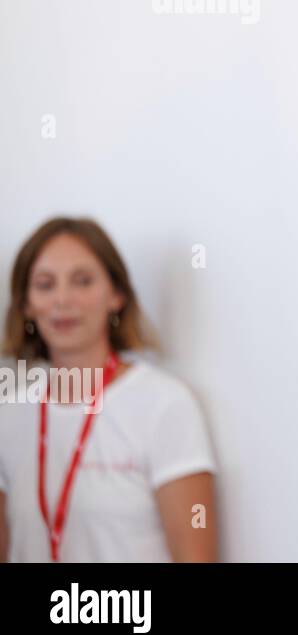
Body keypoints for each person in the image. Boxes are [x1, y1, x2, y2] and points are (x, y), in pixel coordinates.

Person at [0, 217, 218, 562]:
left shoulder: (164, 404)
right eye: (45, 284)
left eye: (82, 281)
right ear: (26, 304)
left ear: (116, 295)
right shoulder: (9, 415)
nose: (62, 299)